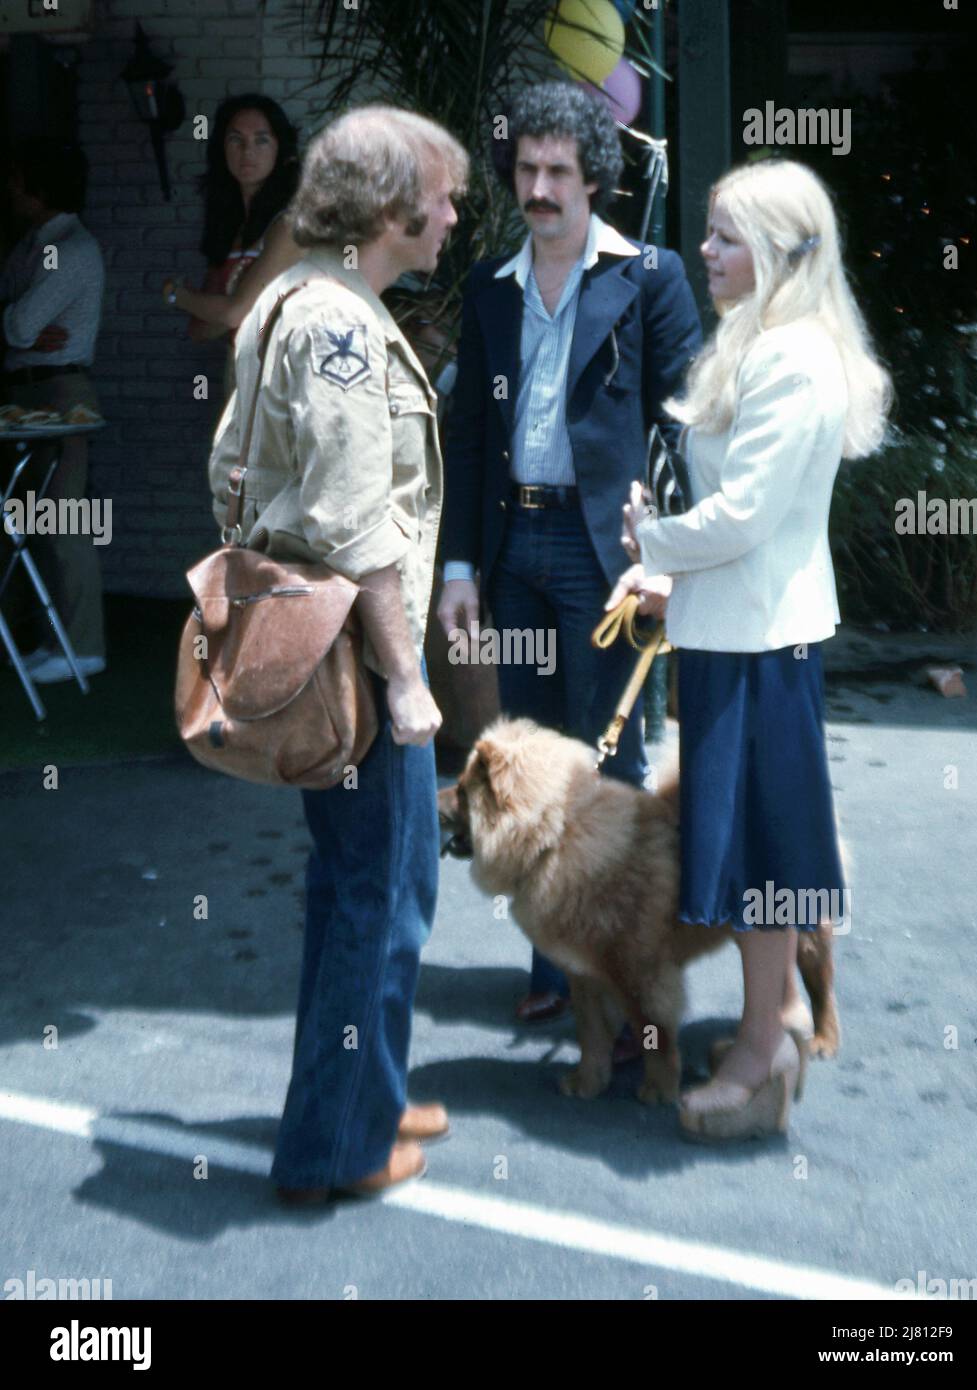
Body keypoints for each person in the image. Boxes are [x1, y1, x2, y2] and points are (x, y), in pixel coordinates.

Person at [208, 106, 468, 1201]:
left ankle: (371, 1086)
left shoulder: (307, 302)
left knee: (372, 884)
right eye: (443, 196)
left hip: (331, 647)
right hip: (355, 662)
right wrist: (407, 680)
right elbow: (359, 526)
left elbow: (239, 474)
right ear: (389, 206)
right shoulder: (340, 327)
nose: (456, 215)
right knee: (380, 896)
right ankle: (336, 1146)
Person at [610, 158, 890, 1141]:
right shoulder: (767, 342)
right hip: (740, 633)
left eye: (725, 236)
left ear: (775, 252)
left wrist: (652, 544)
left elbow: (743, 515)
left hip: (757, 642)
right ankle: (766, 1030)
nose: (705, 250)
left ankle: (761, 1045)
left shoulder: (792, 359)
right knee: (752, 853)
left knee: (762, 857)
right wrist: (671, 561)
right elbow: (736, 522)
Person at [437, 81, 702, 1023]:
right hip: (513, 553)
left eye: (558, 170)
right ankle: (558, 971)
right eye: (526, 169)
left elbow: (687, 423)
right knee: (532, 771)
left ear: (594, 177)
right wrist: (458, 569)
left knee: (611, 768)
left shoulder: (652, 279)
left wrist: (667, 542)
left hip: (606, 560)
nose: (539, 187)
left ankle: (628, 972)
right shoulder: (487, 288)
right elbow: (467, 434)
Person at [0, 138, 106, 683]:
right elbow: (16, 323)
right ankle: (50, 640)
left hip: (62, 394)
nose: (11, 188)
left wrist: (17, 331)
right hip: (27, 394)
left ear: (41, 183)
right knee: (27, 522)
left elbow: (19, 325)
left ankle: (84, 647)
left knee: (65, 520)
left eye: (18, 178)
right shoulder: (32, 245)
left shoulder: (68, 248)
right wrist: (18, 332)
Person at [162, 95, 302, 394]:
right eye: (235, 140)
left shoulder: (290, 223)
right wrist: (226, 307)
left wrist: (177, 295)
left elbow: (230, 314)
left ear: (281, 148)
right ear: (221, 148)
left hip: (289, 371)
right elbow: (200, 329)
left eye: (261, 140)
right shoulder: (229, 227)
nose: (247, 151)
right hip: (241, 366)